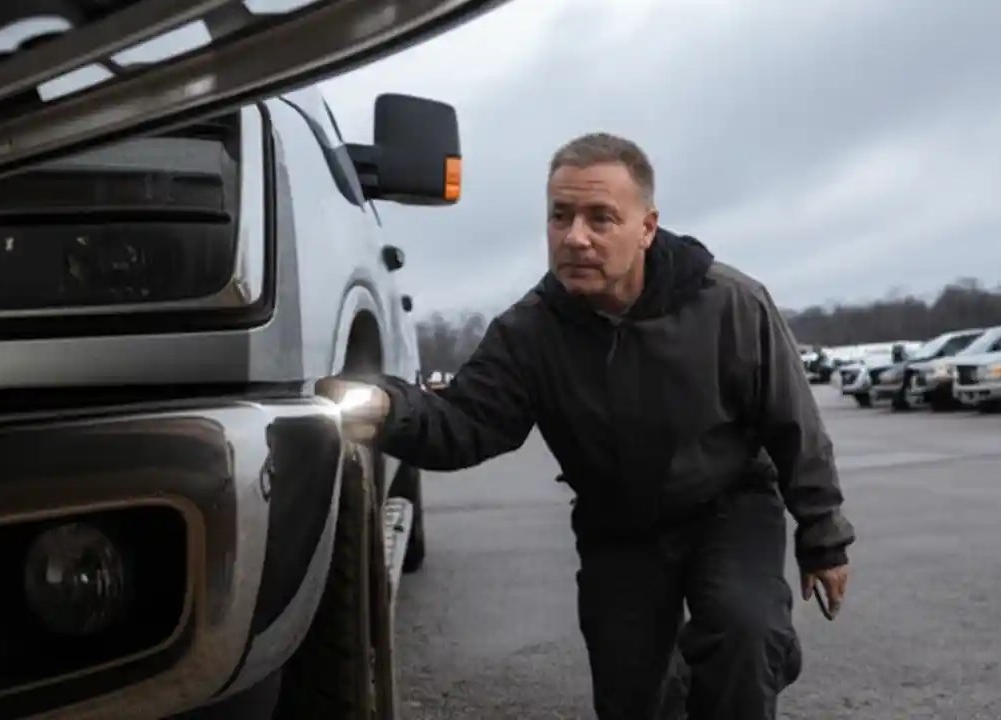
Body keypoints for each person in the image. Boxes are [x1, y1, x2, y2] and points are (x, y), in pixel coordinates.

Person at [322, 132, 855, 720]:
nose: (576, 237)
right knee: (632, 698)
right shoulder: (530, 332)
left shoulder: (730, 303)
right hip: (618, 525)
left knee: (744, 637)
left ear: (647, 227)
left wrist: (822, 535)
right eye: (561, 216)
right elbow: (468, 421)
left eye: (601, 218)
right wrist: (388, 407)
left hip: (728, 507)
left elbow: (793, 423)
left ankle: (761, 648)